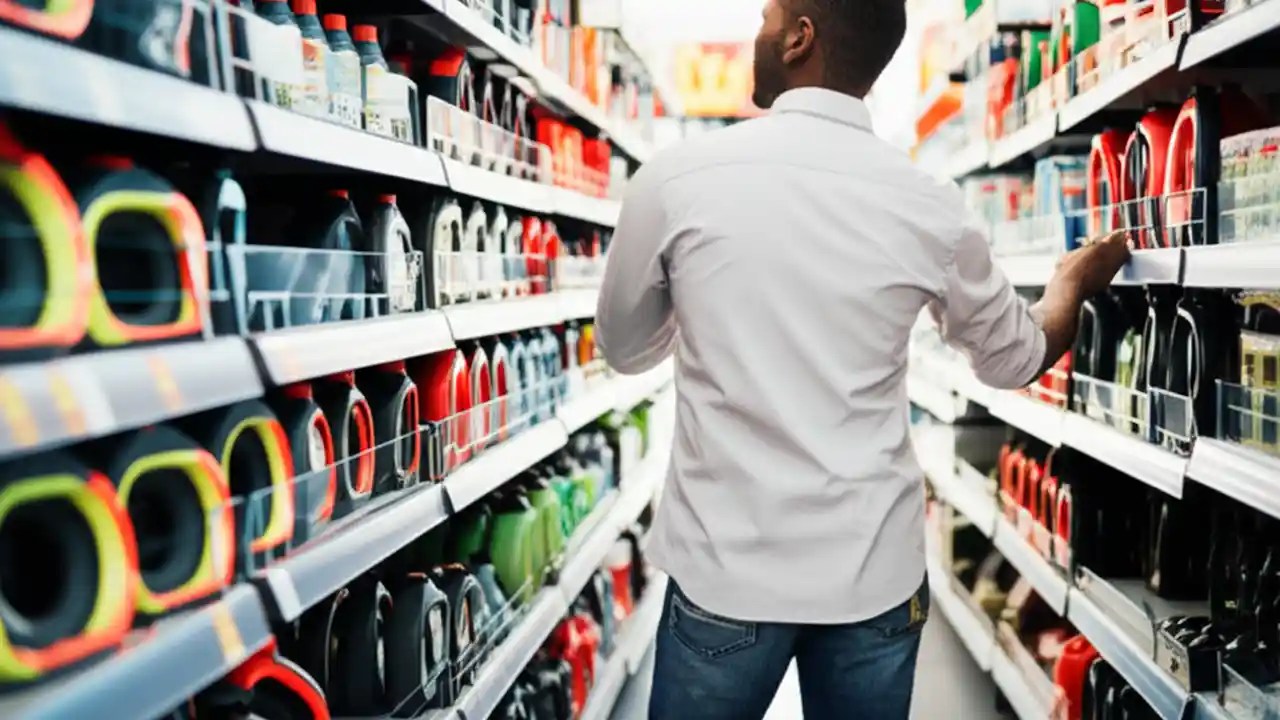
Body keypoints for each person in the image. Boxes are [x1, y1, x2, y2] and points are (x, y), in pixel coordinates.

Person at [595, 0, 1131, 717]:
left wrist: (700, 313)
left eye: (765, 17)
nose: (756, 32)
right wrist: (1070, 283)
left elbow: (624, 350)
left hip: (726, 571)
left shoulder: (677, 180)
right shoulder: (925, 204)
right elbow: (1016, 358)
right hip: (871, 575)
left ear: (799, 39)